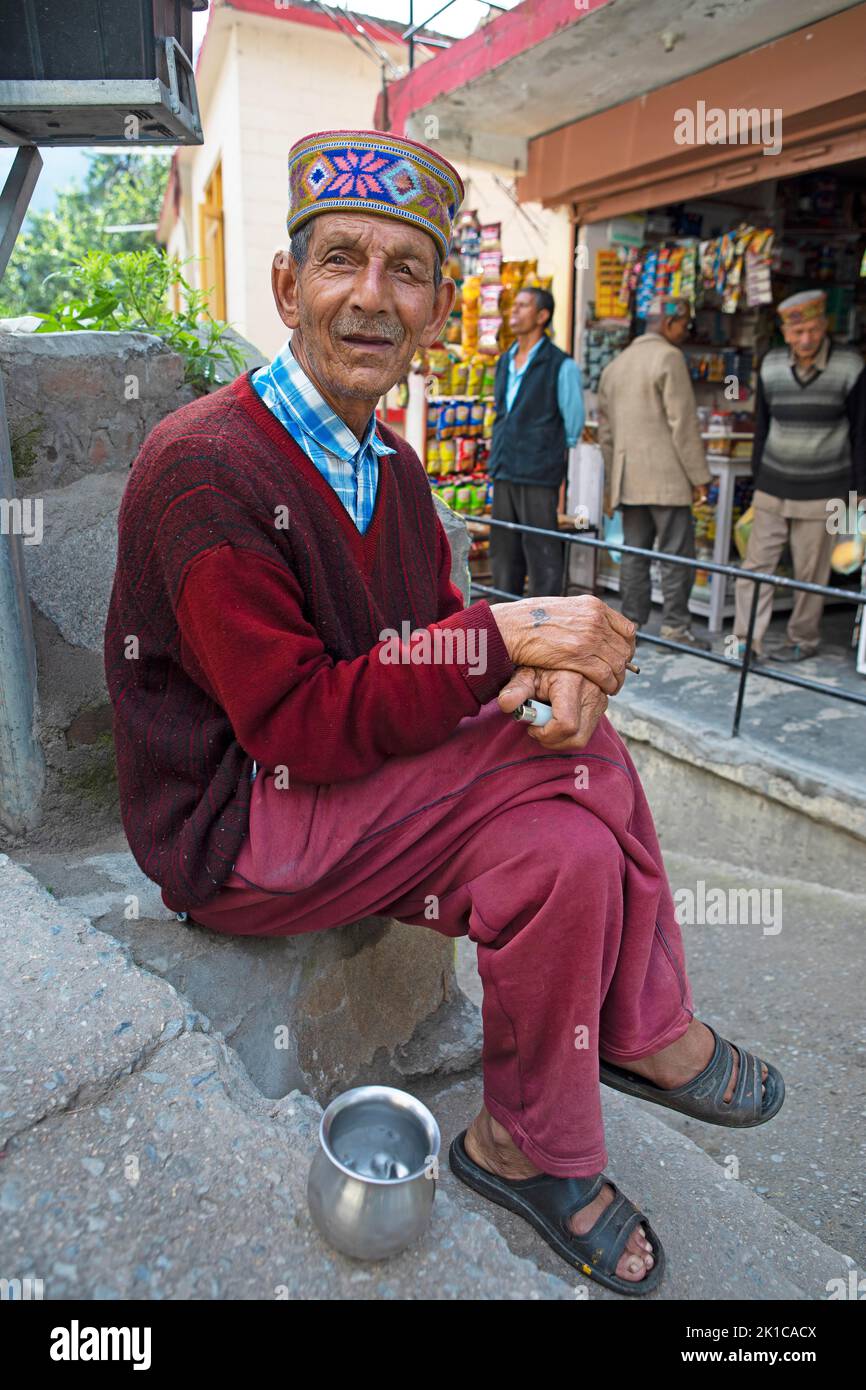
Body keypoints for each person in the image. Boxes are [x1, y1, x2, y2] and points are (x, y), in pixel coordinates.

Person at [104, 128, 783, 1295]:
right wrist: (515, 640)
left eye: (403, 272)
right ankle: (645, 1023)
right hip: (242, 827)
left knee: (564, 850)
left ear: (433, 309)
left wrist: (540, 679)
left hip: (359, 804)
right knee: (576, 765)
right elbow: (294, 725)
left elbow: (434, 651)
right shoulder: (206, 468)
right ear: (285, 286)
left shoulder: (396, 468)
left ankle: (519, 1141)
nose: (370, 297)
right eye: (339, 262)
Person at [732, 289, 866, 663]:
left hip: (825, 491)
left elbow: (861, 432)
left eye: (812, 329)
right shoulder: (771, 365)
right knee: (755, 567)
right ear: (784, 332)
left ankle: (803, 639)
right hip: (773, 489)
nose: (805, 339)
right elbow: (762, 428)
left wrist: (859, 492)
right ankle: (746, 641)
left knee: (811, 574)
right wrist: (758, 480)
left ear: (825, 326)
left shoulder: (850, 366)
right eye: (797, 332)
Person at [598, 297, 711, 651]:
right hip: (668, 478)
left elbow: (606, 436)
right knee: (676, 555)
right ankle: (675, 628)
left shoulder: (615, 366)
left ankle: (632, 624)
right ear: (670, 323)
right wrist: (699, 476)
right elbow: (683, 424)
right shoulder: (669, 357)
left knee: (635, 554)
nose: (686, 332)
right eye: (685, 324)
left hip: (629, 479)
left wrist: (611, 485)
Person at [487, 287, 585, 598]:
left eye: (523, 306)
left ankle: (546, 620)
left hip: (539, 470)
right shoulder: (504, 361)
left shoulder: (561, 365)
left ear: (542, 316)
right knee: (504, 551)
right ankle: (504, 619)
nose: (513, 311)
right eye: (513, 305)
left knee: (541, 550)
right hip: (504, 466)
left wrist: (545, 447)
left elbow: (574, 424)